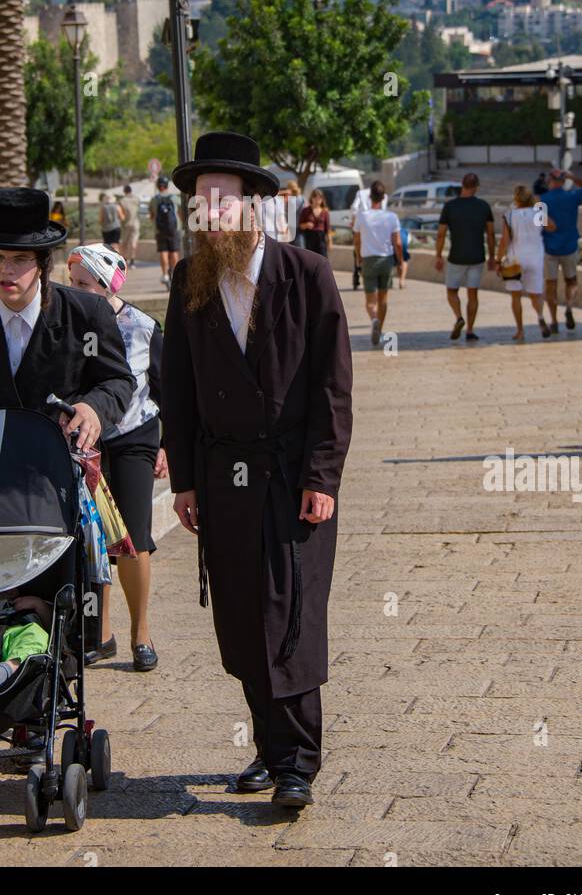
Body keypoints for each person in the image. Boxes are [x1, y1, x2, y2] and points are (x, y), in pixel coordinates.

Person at [161, 131, 353, 810]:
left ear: (251, 205)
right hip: (223, 476)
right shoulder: (190, 280)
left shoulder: (306, 274)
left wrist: (321, 478)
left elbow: (333, 386)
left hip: (292, 473)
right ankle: (271, 754)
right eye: (199, 199)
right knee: (244, 616)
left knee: (292, 612)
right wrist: (183, 481)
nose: (208, 210)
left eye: (221, 196)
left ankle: (298, 762)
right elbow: (176, 389)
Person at [0, 187, 135, 451]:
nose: (6, 269)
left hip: (59, 464)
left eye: (20, 259)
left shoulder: (87, 312)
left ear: (42, 265)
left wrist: (93, 408)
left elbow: (118, 380)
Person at [67, 243, 165, 672]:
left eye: (84, 284)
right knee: (94, 540)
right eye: (72, 284)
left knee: (133, 538)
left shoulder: (143, 326)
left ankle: (140, 634)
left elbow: (167, 390)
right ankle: (100, 634)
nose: (77, 291)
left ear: (108, 284)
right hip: (85, 441)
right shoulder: (66, 324)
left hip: (134, 437)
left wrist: (168, 447)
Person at [435, 172, 496, 343]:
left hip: (456, 257)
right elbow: (490, 234)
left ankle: (458, 316)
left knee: (451, 291)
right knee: (473, 294)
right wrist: (492, 256)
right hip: (477, 257)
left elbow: (440, 235)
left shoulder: (450, 207)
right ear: (476, 187)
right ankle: (470, 330)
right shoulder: (484, 206)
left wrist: (438, 256)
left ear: (462, 184)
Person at [495, 185, 555, 341]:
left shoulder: (509, 215)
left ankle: (520, 331)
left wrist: (498, 260)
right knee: (536, 294)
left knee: (516, 296)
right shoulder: (537, 213)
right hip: (535, 258)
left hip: (516, 259)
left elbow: (504, 241)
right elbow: (552, 227)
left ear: (516, 199)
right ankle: (540, 317)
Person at [537, 167, 582, 333]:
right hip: (570, 246)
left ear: (549, 181)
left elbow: (538, 223)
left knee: (550, 286)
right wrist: (574, 178)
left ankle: (554, 321)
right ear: (564, 180)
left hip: (550, 249)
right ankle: (569, 307)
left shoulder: (542, 200)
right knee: (571, 281)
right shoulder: (572, 196)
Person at [352, 180, 403, 345]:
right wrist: (400, 262)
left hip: (368, 259)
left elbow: (357, 240)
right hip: (387, 260)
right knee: (383, 298)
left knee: (370, 300)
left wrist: (358, 258)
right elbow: (398, 243)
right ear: (383, 197)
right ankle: (379, 329)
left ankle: (374, 319)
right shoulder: (391, 217)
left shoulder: (362, 216)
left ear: (370, 196)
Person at [149, 175, 180, 289]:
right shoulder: (175, 198)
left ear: (158, 186)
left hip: (160, 230)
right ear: (167, 186)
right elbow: (181, 213)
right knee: (174, 251)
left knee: (163, 251)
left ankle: (166, 274)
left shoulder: (154, 199)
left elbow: (152, 216)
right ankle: (177, 275)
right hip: (174, 229)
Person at [349, 185, 372, 290]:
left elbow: (354, 207)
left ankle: (356, 277)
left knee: (357, 251)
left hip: (360, 226)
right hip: (373, 227)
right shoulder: (383, 196)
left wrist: (354, 219)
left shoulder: (360, 193)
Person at [297, 188, 331, 257]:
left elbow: (328, 228)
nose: (317, 200)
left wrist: (330, 241)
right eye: (315, 197)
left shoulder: (325, 211)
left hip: (321, 240)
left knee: (323, 260)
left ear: (322, 199)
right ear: (311, 198)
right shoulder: (305, 210)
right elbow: (300, 226)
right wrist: (306, 225)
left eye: (319, 198)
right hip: (309, 239)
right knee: (310, 260)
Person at [119, 184, 141, 266]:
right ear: (131, 191)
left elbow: (121, 214)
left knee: (124, 242)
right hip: (135, 223)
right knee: (133, 242)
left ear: (124, 191)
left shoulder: (122, 201)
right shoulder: (137, 199)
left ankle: (124, 259)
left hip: (126, 224)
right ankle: (132, 259)